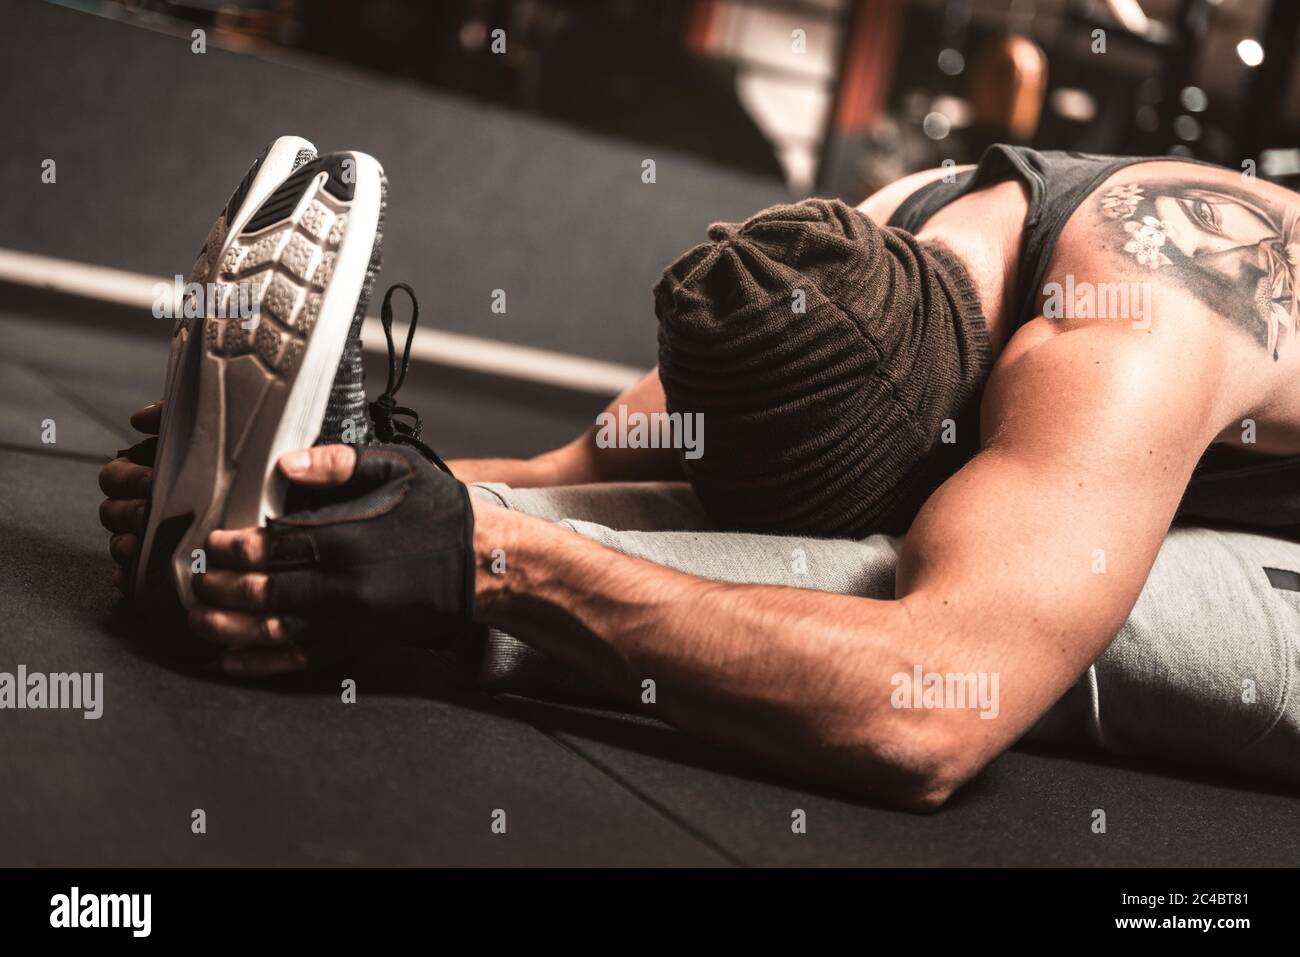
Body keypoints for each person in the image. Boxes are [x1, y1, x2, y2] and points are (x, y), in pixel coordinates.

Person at [100, 146, 1300, 809]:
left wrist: (493, 562)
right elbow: (558, 469)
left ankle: (428, 605)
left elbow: (931, 718)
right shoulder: (844, 258)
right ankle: (311, 553)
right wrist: (332, 486)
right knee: (662, 525)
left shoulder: (1129, 330)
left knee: (932, 601)